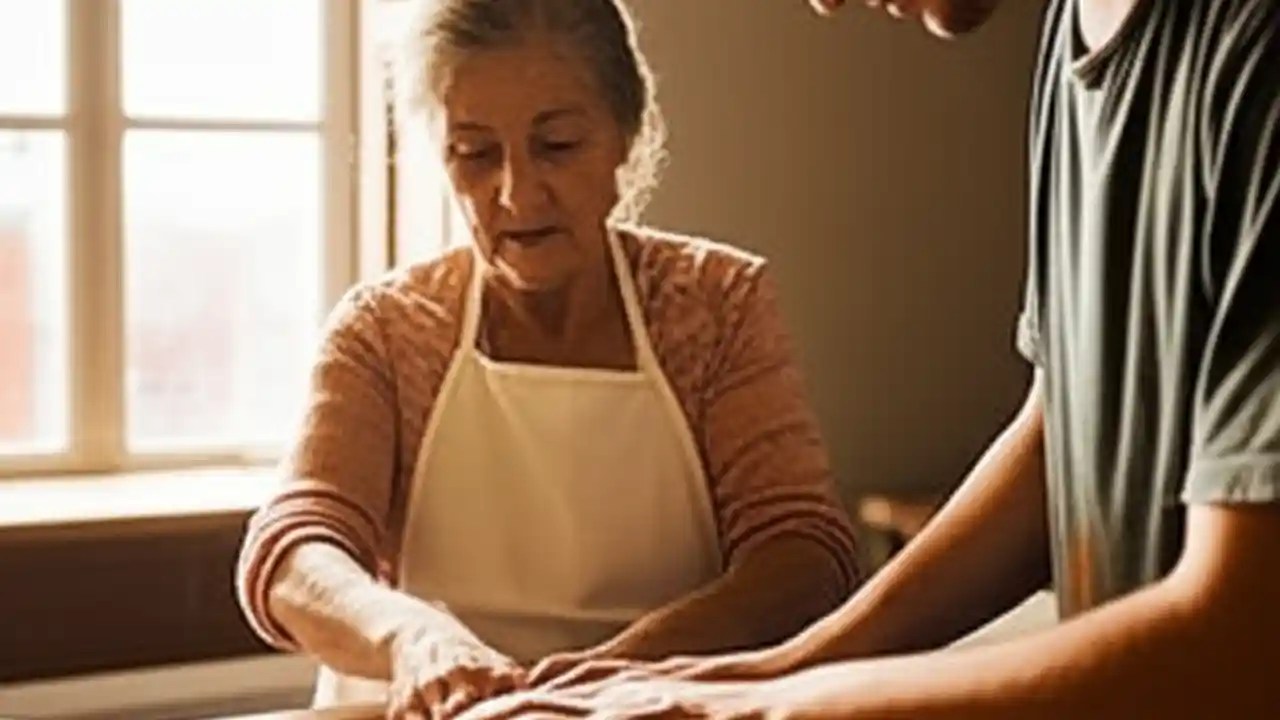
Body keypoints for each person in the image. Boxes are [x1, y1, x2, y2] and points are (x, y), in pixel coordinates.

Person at [456, 0, 1280, 717]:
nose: (825, 3)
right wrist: (786, 666)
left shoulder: (1255, 47)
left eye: (557, 144)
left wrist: (759, 709)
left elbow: (1243, 639)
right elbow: (1066, 428)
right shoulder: (1076, 28)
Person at [233, 1, 861, 718]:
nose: (517, 193)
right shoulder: (385, 329)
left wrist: (614, 674)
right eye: (475, 153)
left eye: (557, 145)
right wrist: (416, 639)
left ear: (625, 136)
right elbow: (293, 551)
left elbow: (803, 553)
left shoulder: (716, 306)